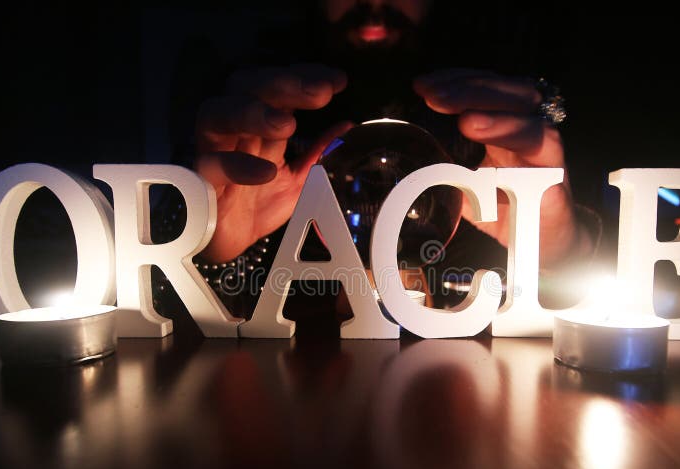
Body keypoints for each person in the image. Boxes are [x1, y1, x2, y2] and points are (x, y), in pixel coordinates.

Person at [156, 0, 600, 320]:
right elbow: (151, 314)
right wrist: (205, 253)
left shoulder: (504, 119)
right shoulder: (252, 116)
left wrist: (560, 249)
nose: (372, 7)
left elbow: (610, 313)